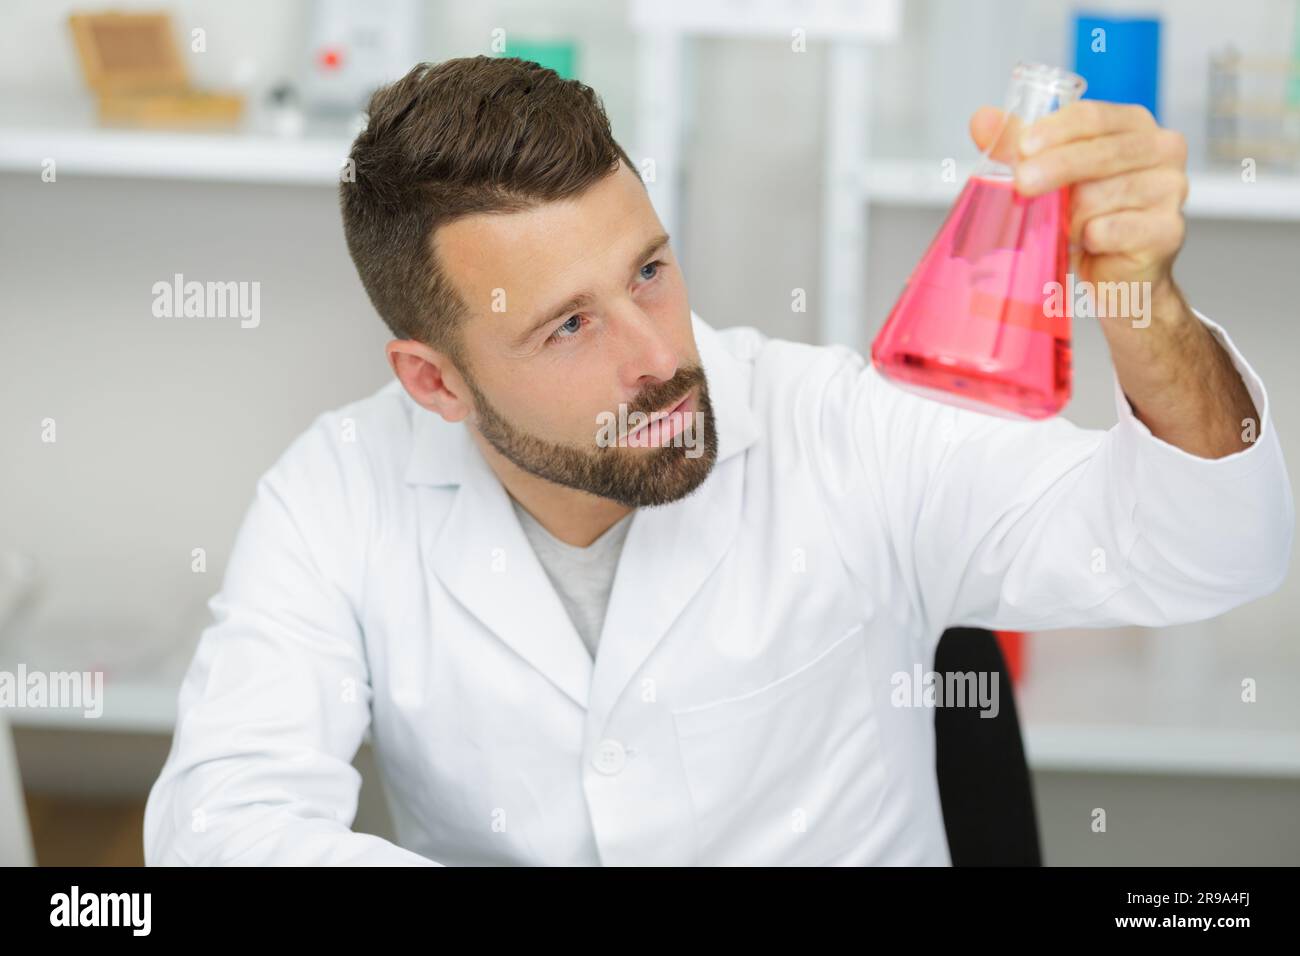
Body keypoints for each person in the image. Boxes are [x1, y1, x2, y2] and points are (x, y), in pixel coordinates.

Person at [144, 56, 1293, 866]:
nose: (660, 356)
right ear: (435, 381)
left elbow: (1211, 548)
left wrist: (1142, 303)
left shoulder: (836, 427)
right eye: (568, 326)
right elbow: (222, 824)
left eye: (648, 269)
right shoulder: (335, 492)